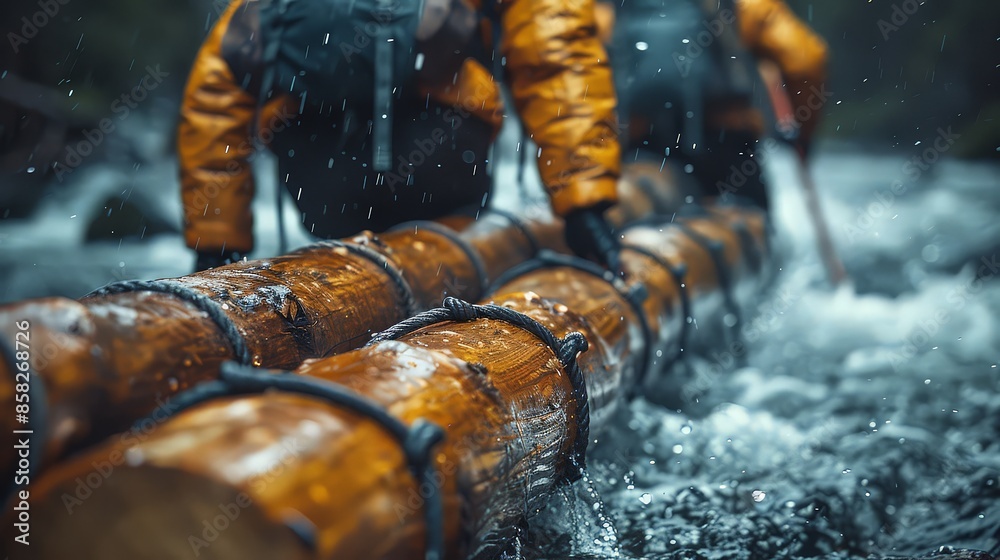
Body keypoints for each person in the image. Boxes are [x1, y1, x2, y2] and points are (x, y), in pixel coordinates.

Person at [179, 0, 622, 271]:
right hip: (441, 162)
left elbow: (215, 89)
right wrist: (584, 204)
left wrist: (216, 243)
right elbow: (556, 54)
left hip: (320, 178)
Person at [594, 0, 828, 216]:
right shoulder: (745, 4)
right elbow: (806, 59)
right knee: (748, 215)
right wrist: (802, 132)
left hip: (643, 144)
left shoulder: (613, 9)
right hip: (724, 146)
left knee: (641, 212)